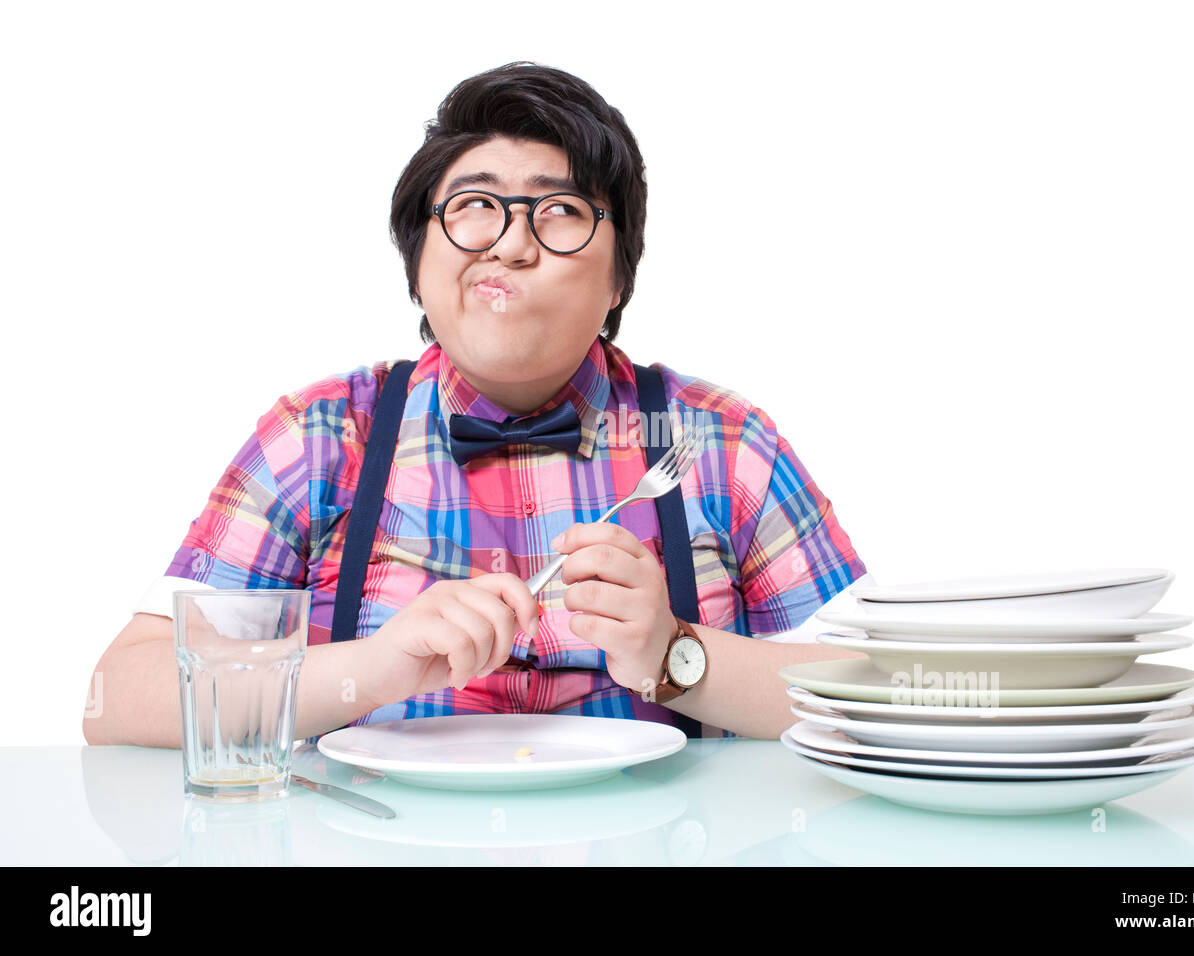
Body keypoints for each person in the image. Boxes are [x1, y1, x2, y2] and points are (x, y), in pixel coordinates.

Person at [83, 61, 868, 747]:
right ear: (418, 259)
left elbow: (880, 693)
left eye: (560, 212)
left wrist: (675, 657)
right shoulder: (321, 438)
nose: (511, 244)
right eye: (474, 206)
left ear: (620, 278)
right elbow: (115, 700)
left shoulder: (715, 441)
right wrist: (371, 669)